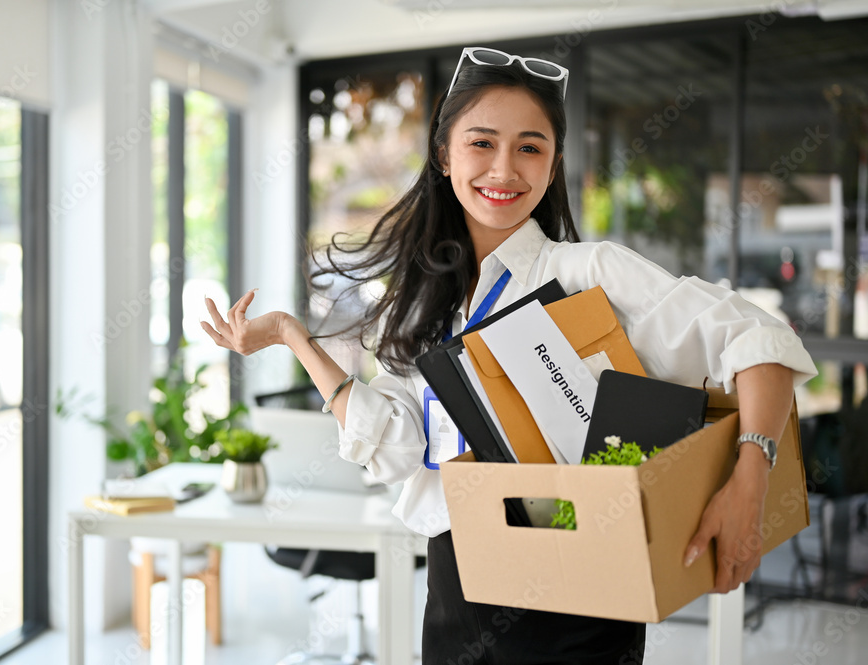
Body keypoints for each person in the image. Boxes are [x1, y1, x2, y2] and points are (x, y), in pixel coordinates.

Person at [202, 47, 817, 665]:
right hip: (452, 599)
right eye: (482, 142)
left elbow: (759, 341)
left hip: (579, 602)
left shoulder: (587, 272)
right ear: (444, 155)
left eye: (530, 147)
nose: (504, 168)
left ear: (552, 168)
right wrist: (291, 335)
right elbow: (392, 447)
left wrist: (749, 480)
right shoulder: (422, 306)